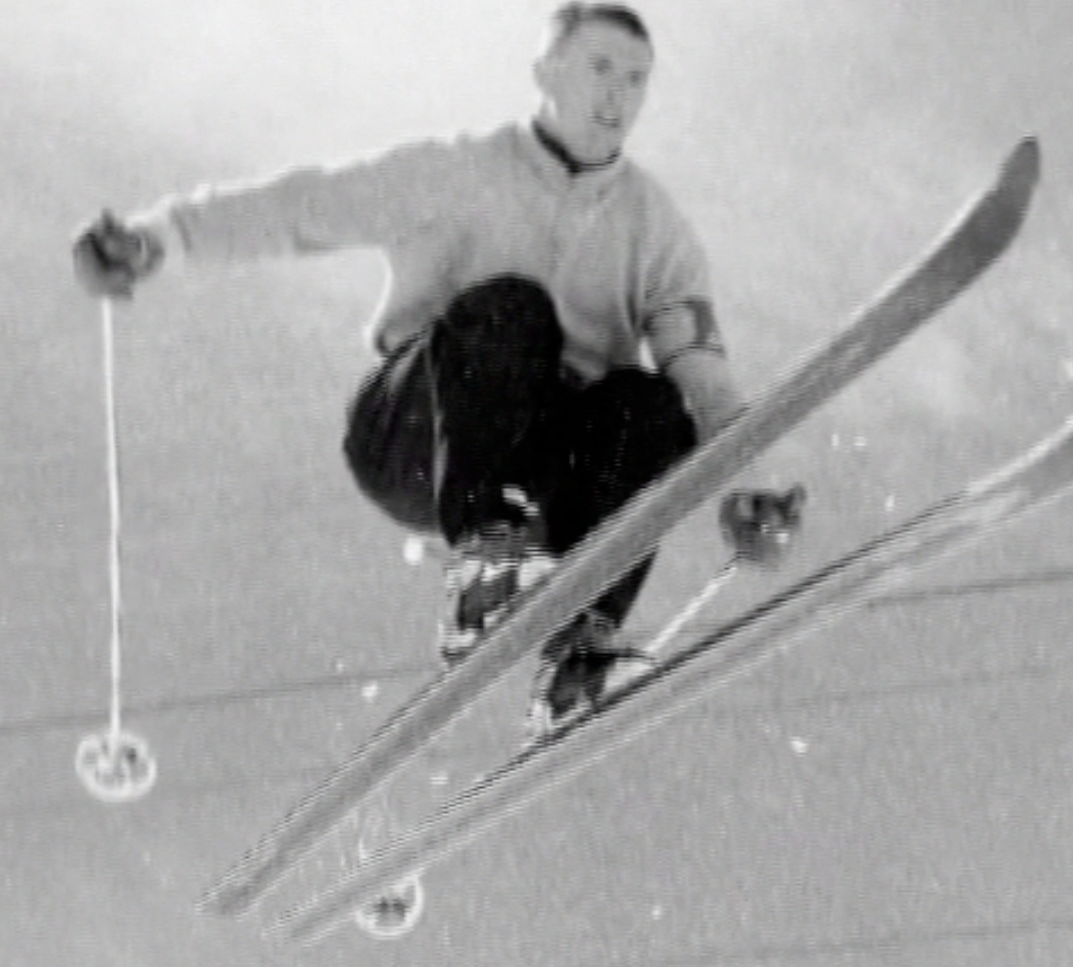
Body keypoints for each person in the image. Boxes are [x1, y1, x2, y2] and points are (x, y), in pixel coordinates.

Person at [73, 3, 788, 738]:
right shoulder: (457, 171)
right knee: (515, 309)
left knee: (653, 404)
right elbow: (306, 206)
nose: (618, 95)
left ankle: (578, 649)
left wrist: (746, 479)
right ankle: (483, 563)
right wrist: (159, 238)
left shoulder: (655, 231)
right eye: (600, 68)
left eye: (637, 79)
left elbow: (703, 373)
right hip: (418, 428)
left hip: (546, 464)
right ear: (546, 73)